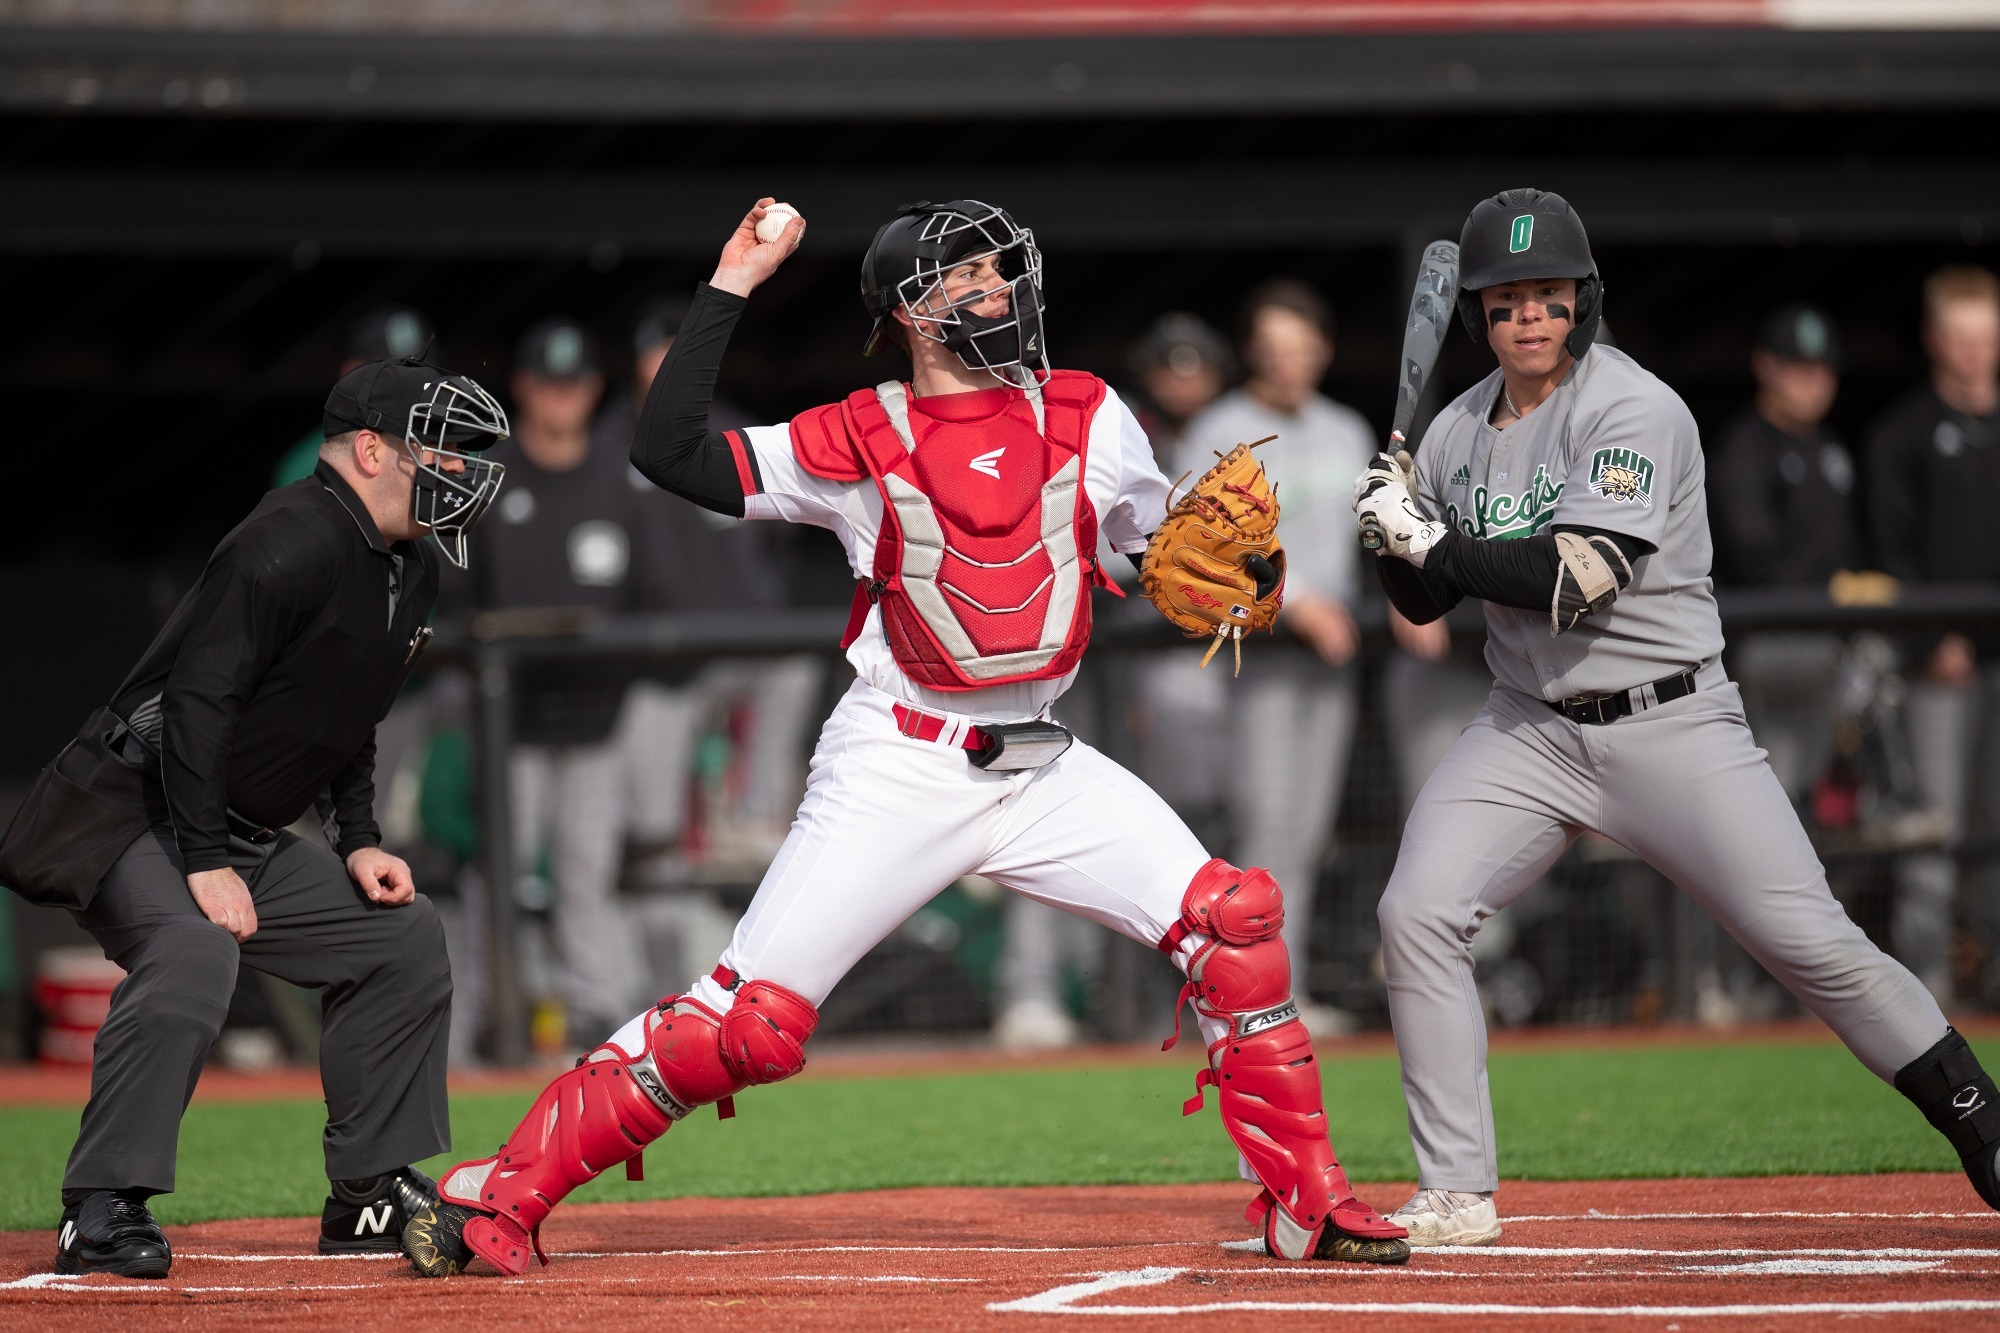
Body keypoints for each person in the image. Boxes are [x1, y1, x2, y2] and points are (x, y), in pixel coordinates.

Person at [400, 197, 1411, 1279]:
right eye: (967, 279)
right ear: (912, 314)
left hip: (1040, 758)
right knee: (743, 1028)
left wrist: (1245, 575)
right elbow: (669, 451)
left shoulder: (1084, 410)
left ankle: (1306, 1204)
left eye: (999, 272)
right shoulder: (857, 430)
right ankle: (498, 1190)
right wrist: (733, 281)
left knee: (1235, 925)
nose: (997, 292)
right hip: (900, 754)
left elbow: (1154, 559)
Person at [1352, 188, 1998, 1247]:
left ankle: (1978, 1117)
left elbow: (1577, 579)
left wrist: (1427, 543)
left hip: (1670, 720)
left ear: (1582, 302)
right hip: (1526, 727)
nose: (1527, 317)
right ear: (1475, 314)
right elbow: (1425, 601)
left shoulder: (1632, 407)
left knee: (1811, 945)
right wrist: (1388, 536)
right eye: (1505, 299)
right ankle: (1457, 1189)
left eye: (1547, 296)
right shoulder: (1455, 429)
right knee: (1413, 912)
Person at [0, 356, 508, 1276]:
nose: (459, 470)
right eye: (439, 449)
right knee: (197, 948)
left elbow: (353, 715)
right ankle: (101, 1206)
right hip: (132, 804)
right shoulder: (288, 536)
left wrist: (357, 839)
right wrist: (205, 859)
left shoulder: (409, 567)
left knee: (399, 937)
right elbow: (197, 702)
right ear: (367, 449)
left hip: (226, 822)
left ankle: (364, 1194)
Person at [471, 316, 679, 1042]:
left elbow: (659, 595)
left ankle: (599, 1017)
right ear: (523, 387)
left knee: (588, 872)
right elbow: (457, 596)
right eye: (547, 383)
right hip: (507, 714)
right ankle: (478, 1017)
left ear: (594, 390)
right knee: (493, 871)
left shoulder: (624, 477)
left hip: (599, 712)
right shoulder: (488, 474)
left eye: (575, 384)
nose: (561, 398)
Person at [1174, 280, 1372, 1035]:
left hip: (1331, 659)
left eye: (1303, 346)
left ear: (1322, 348)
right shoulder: (1222, 428)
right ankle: (1237, 999)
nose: (1290, 361)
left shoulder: (1347, 429)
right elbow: (1199, 548)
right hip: (1253, 655)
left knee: (1309, 829)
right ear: (1254, 352)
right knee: (1263, 827)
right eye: (1274, 348)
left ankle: (1283, 992)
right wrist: (1293, 601)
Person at [1866, 265, 2000, 1007]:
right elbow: (1891, 553)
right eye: (1962, 339)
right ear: (1934, 340)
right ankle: (1928, 991)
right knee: (1933, 833)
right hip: (1936, 663)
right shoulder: (1902, 433)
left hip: (1999, 660)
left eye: (1986, 339)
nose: (1975, 354)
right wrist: (1929, 639)